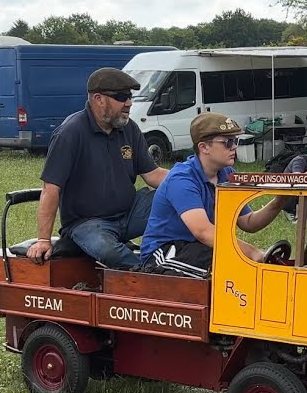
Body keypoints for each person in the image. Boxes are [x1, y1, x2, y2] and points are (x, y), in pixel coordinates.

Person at [26, 67, 169, 269]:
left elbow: (153, 174)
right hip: (87, 223)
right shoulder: (70, 132)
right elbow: (51, 189)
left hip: (130, 213)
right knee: (106, 249)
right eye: (121, 97)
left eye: (129, 96)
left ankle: (182, 260)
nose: (129, 103)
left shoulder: (129, 128)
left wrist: (192, 181)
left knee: (180, 200)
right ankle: (151, 273)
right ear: (99, 99)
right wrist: (43, 240)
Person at [140, 113, 287, 278]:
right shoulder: (181, 180)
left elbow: (248, 222)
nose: (234, 147)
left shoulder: (227, 174)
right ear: (204, 147)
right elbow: (203, 232)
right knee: (230, 268)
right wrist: (251, 252)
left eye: (235, 141)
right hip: (163, 254)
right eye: (228, 142)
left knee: (236, 266)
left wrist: (279, 201)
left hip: (197, 248)